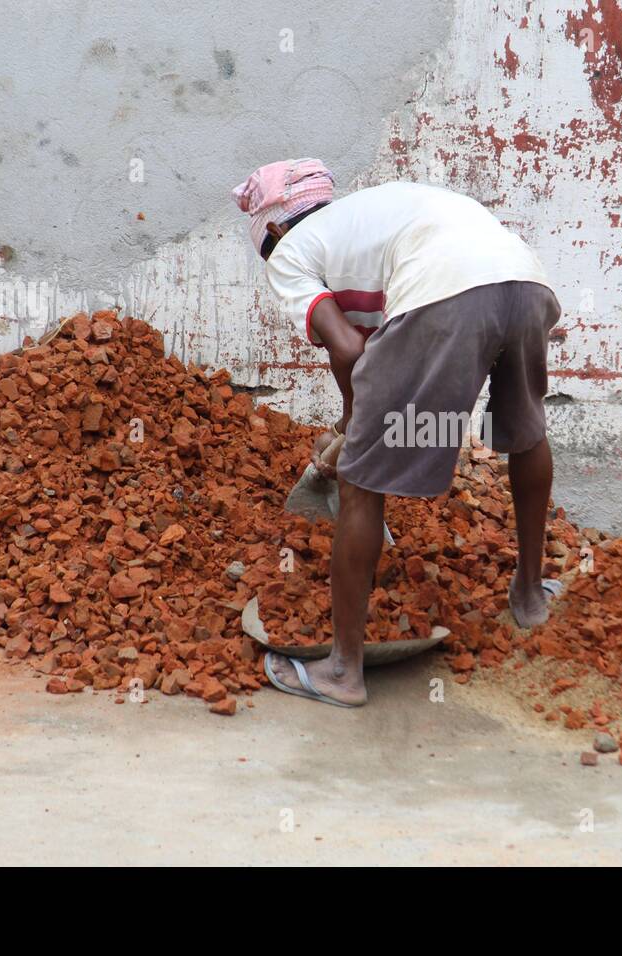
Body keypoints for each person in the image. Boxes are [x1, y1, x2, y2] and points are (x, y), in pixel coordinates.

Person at [233, 158, 561, 706]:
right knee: (527, 432)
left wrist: (354, 437)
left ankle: (343, 671)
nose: (271, 256)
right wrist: (353, 421)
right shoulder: (367, 222)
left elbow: (348, 348)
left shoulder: (292, 251)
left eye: (265, 246)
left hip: (448, 291)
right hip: (526, 282)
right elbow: (372, 347)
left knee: (361, 482)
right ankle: (529, 595)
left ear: (274, 229)